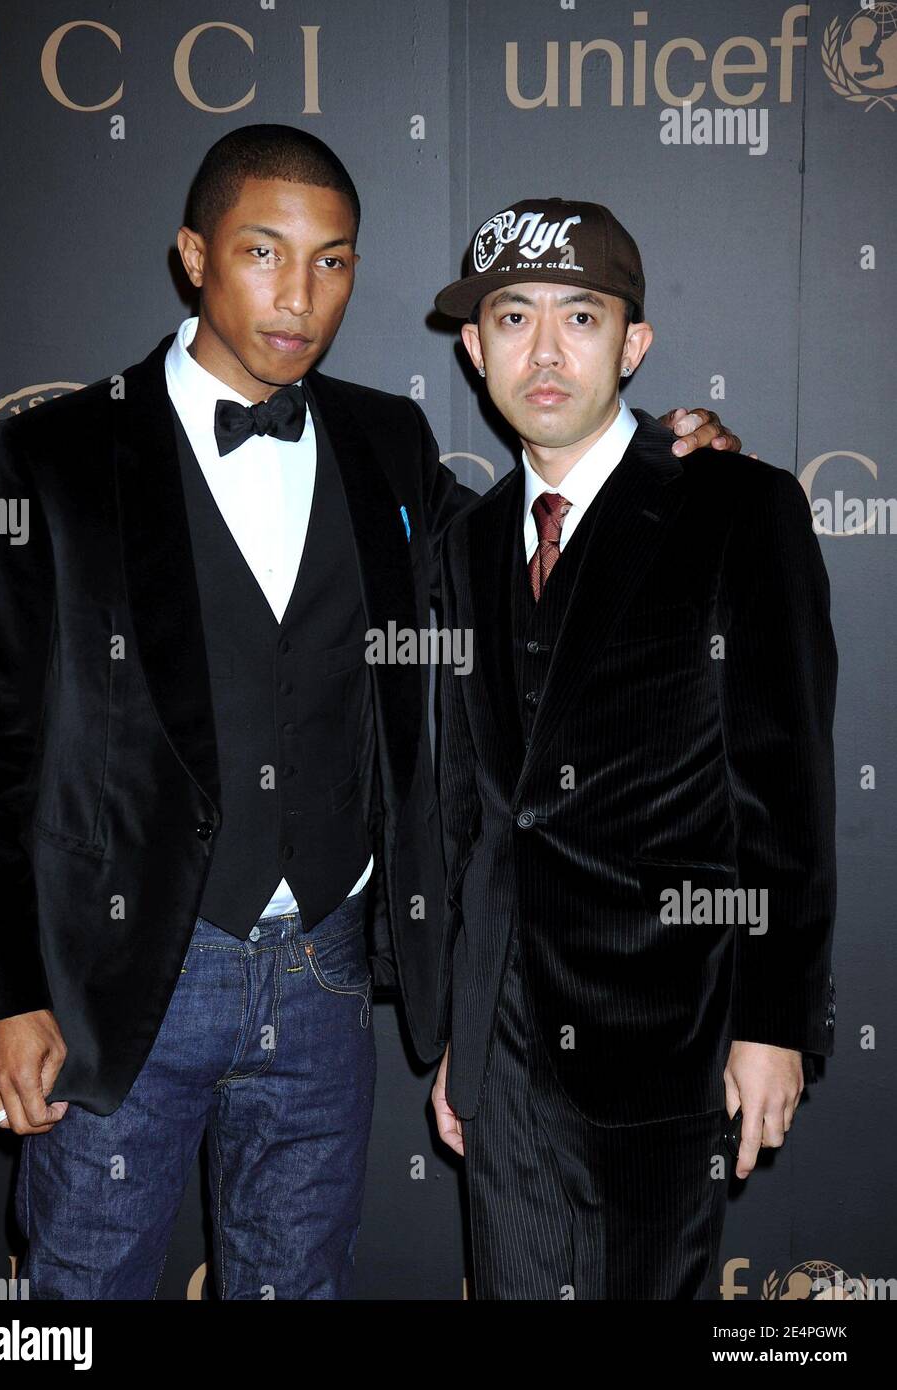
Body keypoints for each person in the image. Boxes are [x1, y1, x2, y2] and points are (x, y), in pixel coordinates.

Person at [0, 131, 739, 1301]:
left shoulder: (385, 441)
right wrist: (2, 997)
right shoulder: (51, 453)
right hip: (119, 981)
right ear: (192, 257)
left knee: (296, 1285)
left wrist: (676, 461)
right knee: (78, 1294)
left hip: (324, 970)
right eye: (264, 253)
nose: (299, 295)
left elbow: (546, 531)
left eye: (332, 262)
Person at [430, 198, 838, 1300]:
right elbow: (475, 805)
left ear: (632, 344)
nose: (546, 350)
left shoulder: (736, 508)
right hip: (503, 1048)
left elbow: (786, 792)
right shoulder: (464, 543)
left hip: (671, 1028)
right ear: (472, 350)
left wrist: (772, 1022)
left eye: (581, 316)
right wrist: (465, 1028)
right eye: (512, 318)